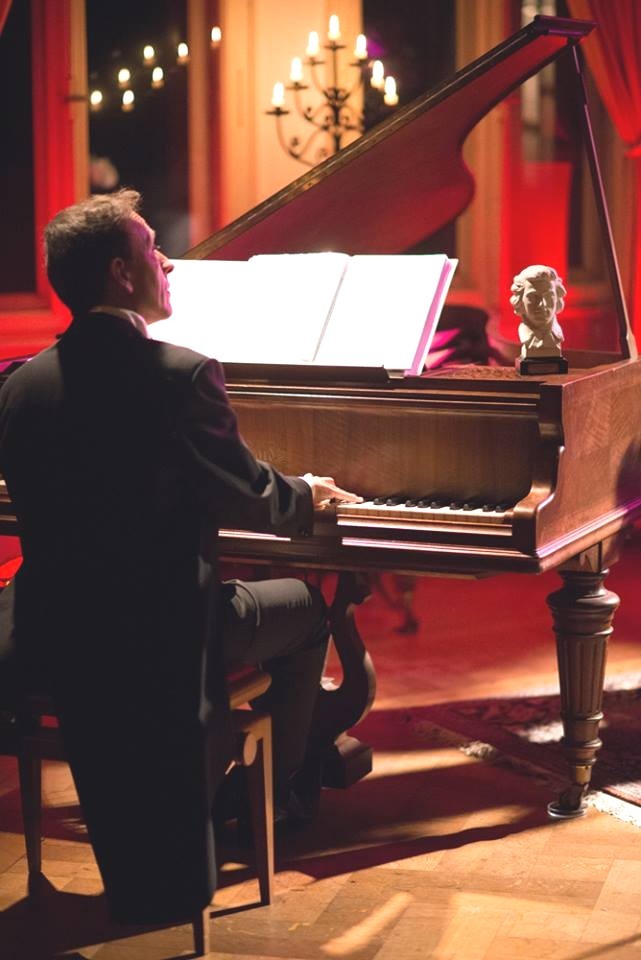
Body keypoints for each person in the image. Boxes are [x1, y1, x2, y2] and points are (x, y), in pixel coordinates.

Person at [0, 189, 361, 925]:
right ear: (120, 274)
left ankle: (244, 780)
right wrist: (311, 492)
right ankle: (277, 792)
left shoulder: (21, 387)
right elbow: (253, 500)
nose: (168, 260)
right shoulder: (180, 376)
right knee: (304, 607)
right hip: (160, 635)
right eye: (150, 248)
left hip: (57, 628)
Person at [510, 264, 566, 359]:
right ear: (520, 300)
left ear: (557, 298)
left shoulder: (556, 336)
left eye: (549, 296)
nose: (542, 304)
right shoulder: (525, 336)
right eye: (533, 297)